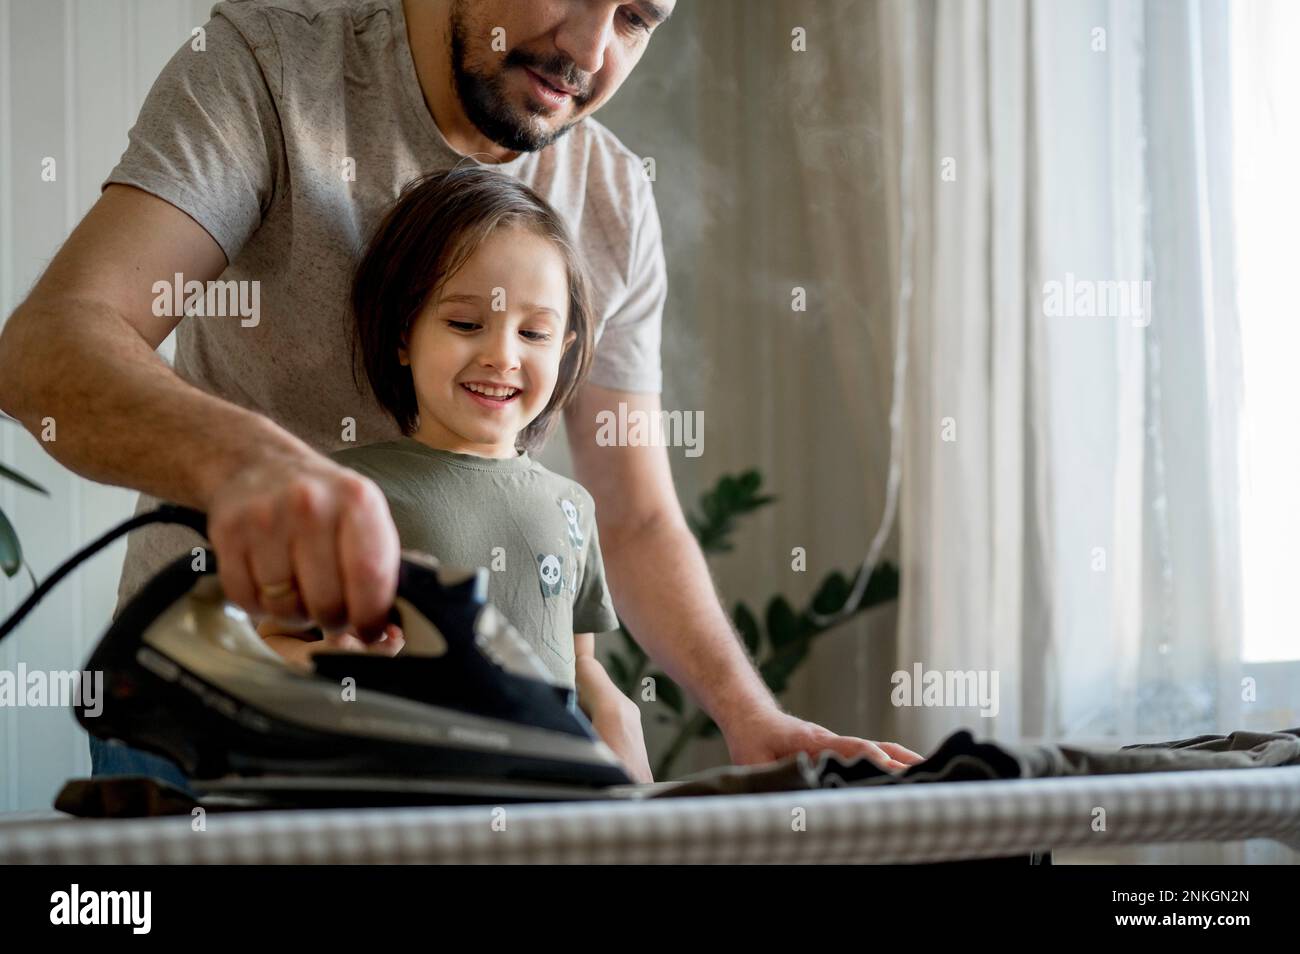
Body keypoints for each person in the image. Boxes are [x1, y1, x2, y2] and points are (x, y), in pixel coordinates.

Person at [0, 0, 922, 776]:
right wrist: (255, 466)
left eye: (637, 16)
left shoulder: (608, 194)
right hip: (211, 719)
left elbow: (633, 516)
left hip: (465, 760)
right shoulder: (269, 68)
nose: (592, 51)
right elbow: (47, 347)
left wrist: (749, 719)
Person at [259, 166, 653, 781]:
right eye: (466, 323)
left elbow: (577, 662)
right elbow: (269, 646)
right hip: (404, 817)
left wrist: (617, 720)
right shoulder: (345, 494)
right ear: (402, 335)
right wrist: (327, 667)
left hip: (552, 813)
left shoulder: (572, 506)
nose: (502, 355)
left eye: (534, 332)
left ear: (565, 346)